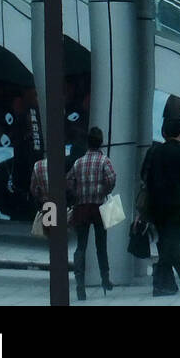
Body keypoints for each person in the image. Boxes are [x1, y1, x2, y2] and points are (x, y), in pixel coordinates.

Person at [144, 115, 180, 296]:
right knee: (173, 243)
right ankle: (161, 280)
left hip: (157, 204)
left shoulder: (153, 151)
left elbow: (145, 176)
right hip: (177, 203)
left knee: (166, 242)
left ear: (163, 133)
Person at [66, 126, 117, 299]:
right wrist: (103, 190)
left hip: (82, 207)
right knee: (101, 245)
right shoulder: (104, 161)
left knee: (81, 246)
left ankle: (80, 283)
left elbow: (69, 180)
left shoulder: (79, 162)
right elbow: (111, 178)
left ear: (87, 142)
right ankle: (105, 278)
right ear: (101, 142)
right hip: (99, 207)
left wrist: (77, 192)